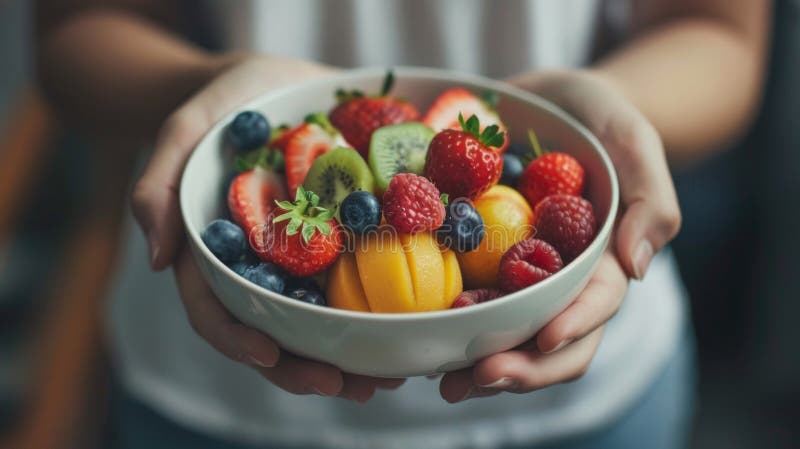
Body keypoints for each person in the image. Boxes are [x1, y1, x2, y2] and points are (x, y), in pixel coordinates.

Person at [35, 1, 770, 448]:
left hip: (583, 399)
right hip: (215, 399)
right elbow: (75, 29)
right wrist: (202, 96)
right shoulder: (322, 196)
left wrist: (606, 107)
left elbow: (719, 29)